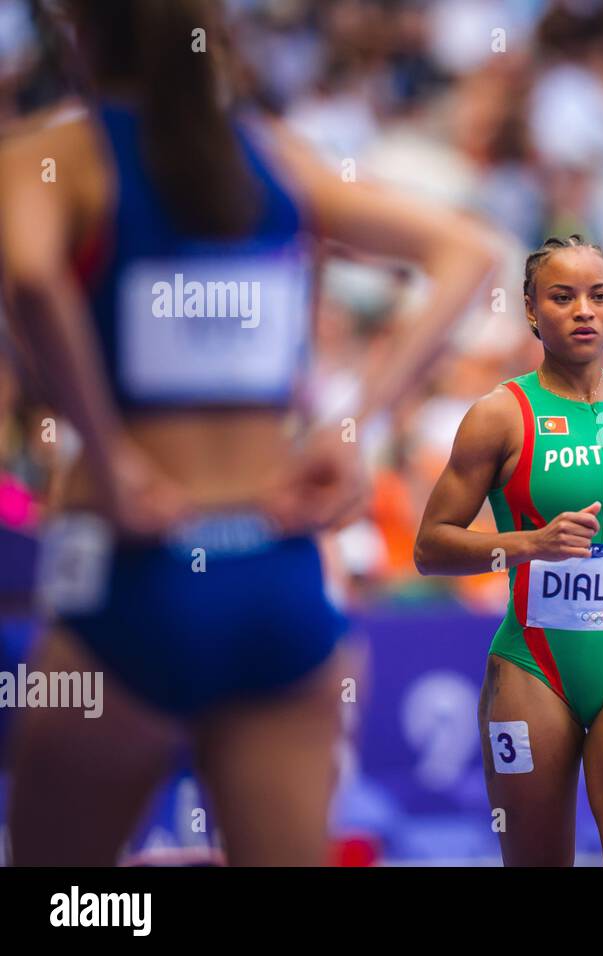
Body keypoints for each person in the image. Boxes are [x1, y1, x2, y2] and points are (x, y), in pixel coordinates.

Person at [0, 0, 498, 865]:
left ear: (78, 30)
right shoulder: (270, 157)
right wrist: (352, 423)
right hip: (277, 576)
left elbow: (31, 277)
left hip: (134, 569)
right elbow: (468, 250)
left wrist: (108, 450)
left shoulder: (54, 157)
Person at [414, 235, 603, 866]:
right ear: (532, 311)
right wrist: (528, 544)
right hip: (534, 668)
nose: (584, 310)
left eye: (599, 296)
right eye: (563, 298)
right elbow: (431, 549)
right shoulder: (497, 415)